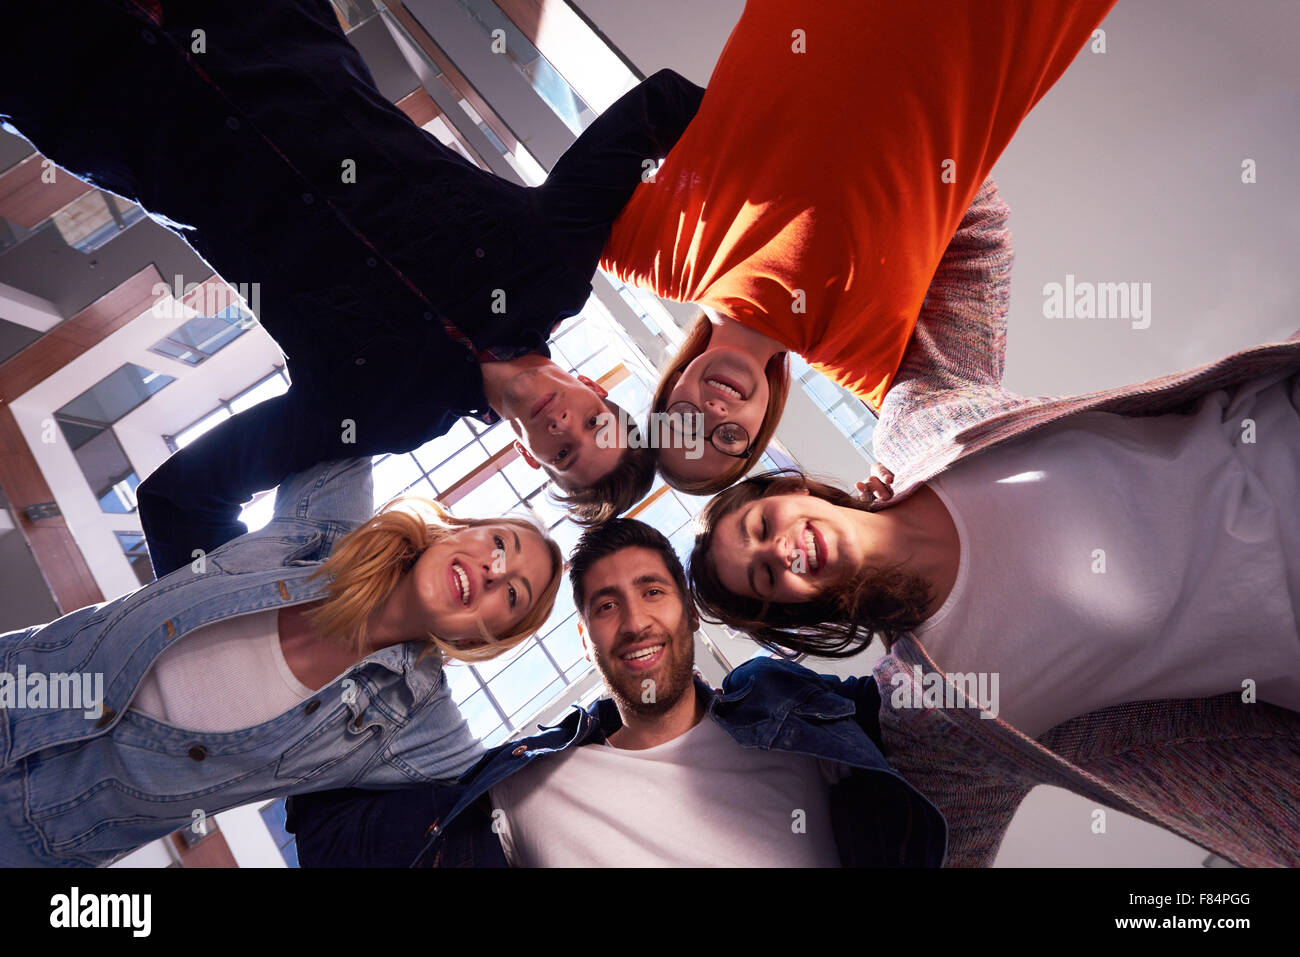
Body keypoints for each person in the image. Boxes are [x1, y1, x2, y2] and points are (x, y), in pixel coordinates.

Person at [686, 178, 1300, 865]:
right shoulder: (932, 713)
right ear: (795, 614)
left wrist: (754, 324)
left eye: (764, 524)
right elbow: (949, 855)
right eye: (767, 576)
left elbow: (967, 212)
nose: (784, 551)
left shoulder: (919, 428)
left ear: (797, 491)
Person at [0, 1, 706, 559]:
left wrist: (242, 651)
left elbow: (186, 499)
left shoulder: (382, 416)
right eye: (592, 422)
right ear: (596, 389)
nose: (564, 425)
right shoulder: (553, 266)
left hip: (85, 89)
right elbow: (661, 107)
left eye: (564, 452)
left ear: (529, 458)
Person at [599, 0, 1116, 493]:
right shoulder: (867, 359)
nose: (714, 416)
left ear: (670, 390)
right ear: (758, 429)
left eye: (685, 424)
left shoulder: (639, 251)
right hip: (994, 24)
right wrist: (910, 467)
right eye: (729, 439)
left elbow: (652, 109)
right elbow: (982, 241)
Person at [283, 518, 948, 867]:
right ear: (585, 639)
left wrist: (886, 542)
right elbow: (332, 845)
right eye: (606, 605)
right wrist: (378, 638)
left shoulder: (793, 720)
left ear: (688, 611)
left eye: (652, 592)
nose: (633, 621)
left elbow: (939, 690)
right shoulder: (527, 788)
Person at [0, 456, 563, 866]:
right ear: (458, 530)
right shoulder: (322, 529)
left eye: (511, 595)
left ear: (490, 635)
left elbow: (515, 799)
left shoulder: (417, 725)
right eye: (498, 544)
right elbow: (354, 377)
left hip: (30, 842)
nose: (493, 571)